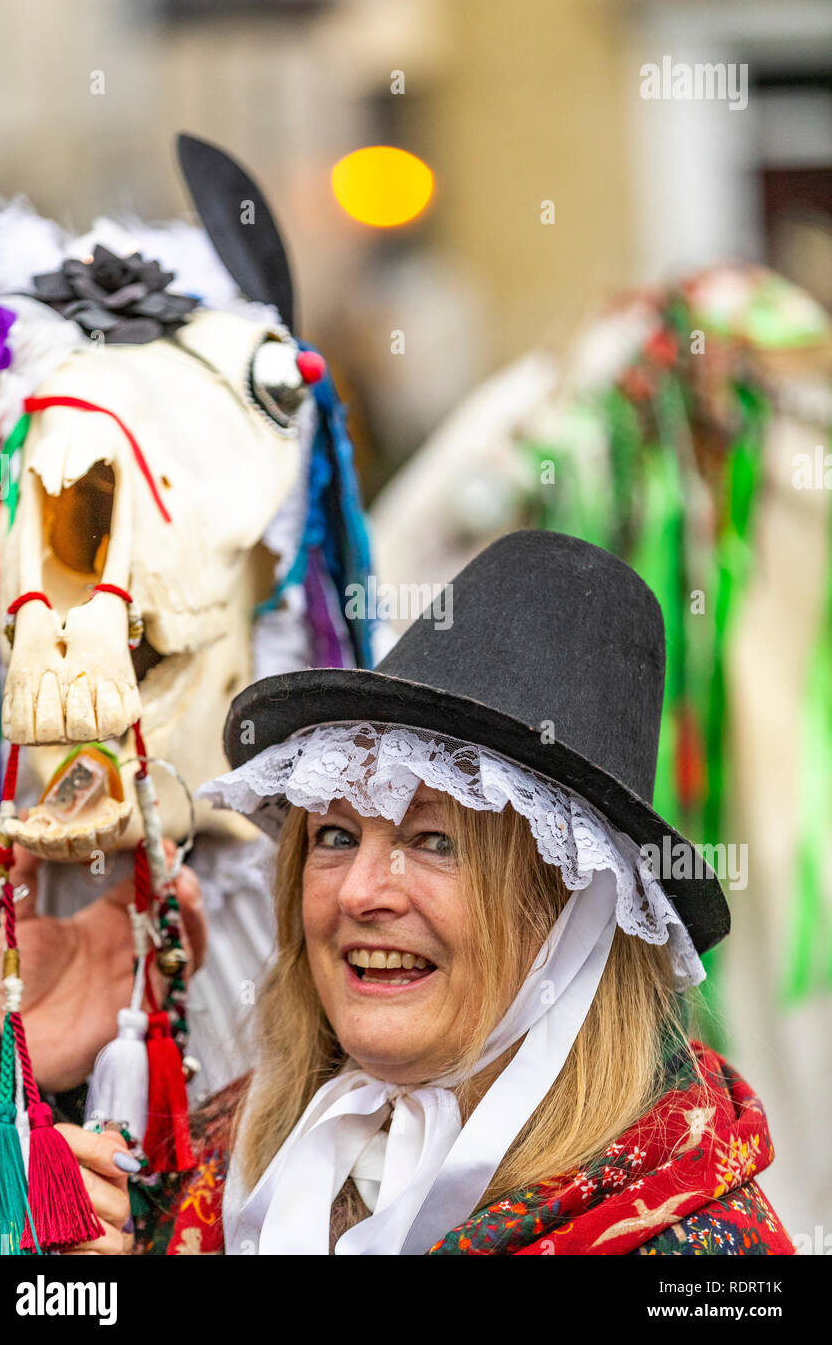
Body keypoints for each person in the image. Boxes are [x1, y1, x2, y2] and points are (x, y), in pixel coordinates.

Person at [56, 531, 794, 1255]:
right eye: (337, 836)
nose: (359, 893)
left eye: (435, 841)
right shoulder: (221, 1163)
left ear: (575, 912)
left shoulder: (702, 1251)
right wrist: (36, 1078)